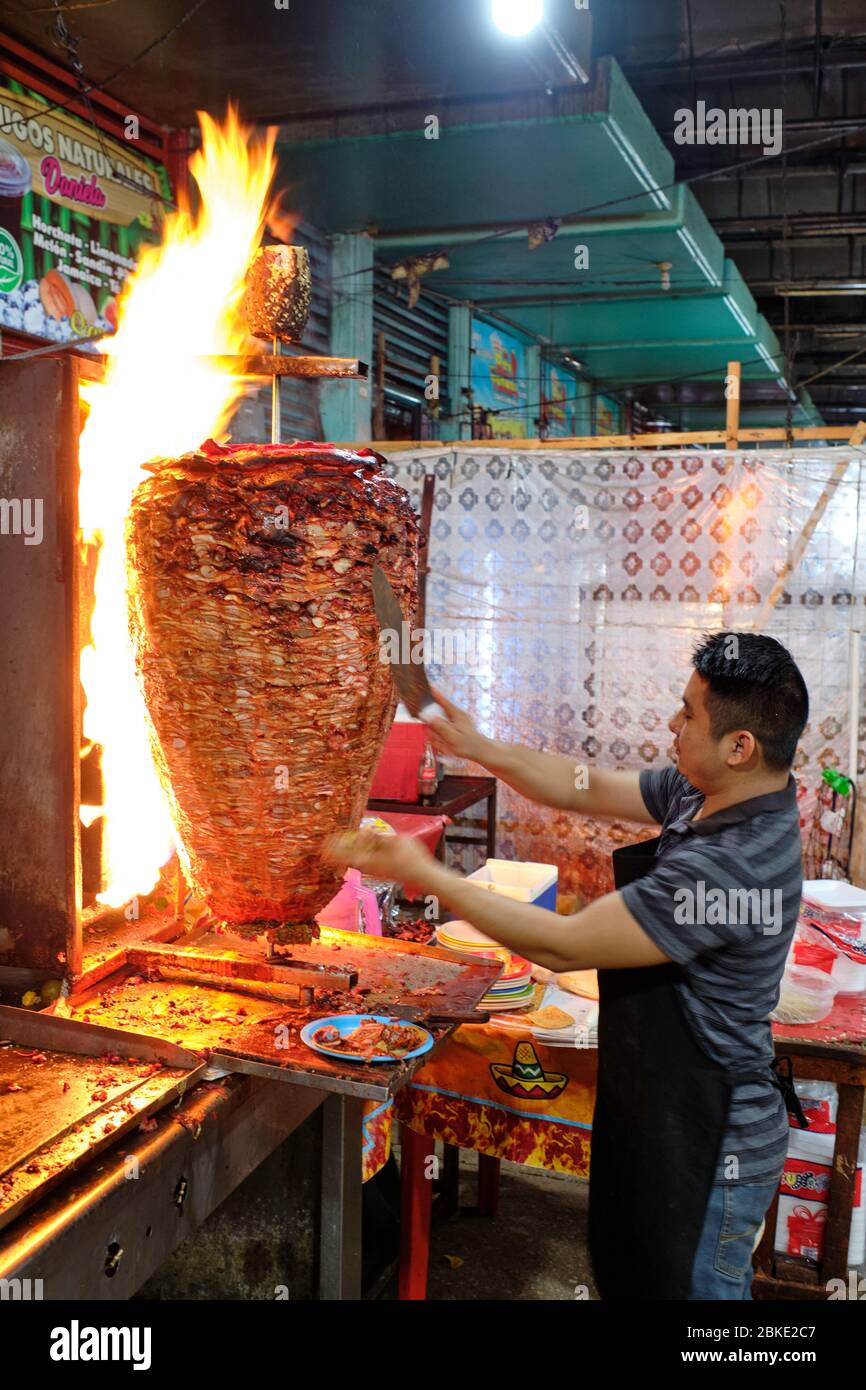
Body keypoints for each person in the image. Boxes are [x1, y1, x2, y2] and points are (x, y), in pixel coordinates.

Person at [326, 631, 809, 1301]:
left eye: (688, 712)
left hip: (710, 1143)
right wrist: (480, 747)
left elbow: (565, 944)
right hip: (669, 1113)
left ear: (740, 746)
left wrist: (428, 873)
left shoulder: (733, 867)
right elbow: (587, 787)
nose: (673, 723)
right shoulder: (712, 792)